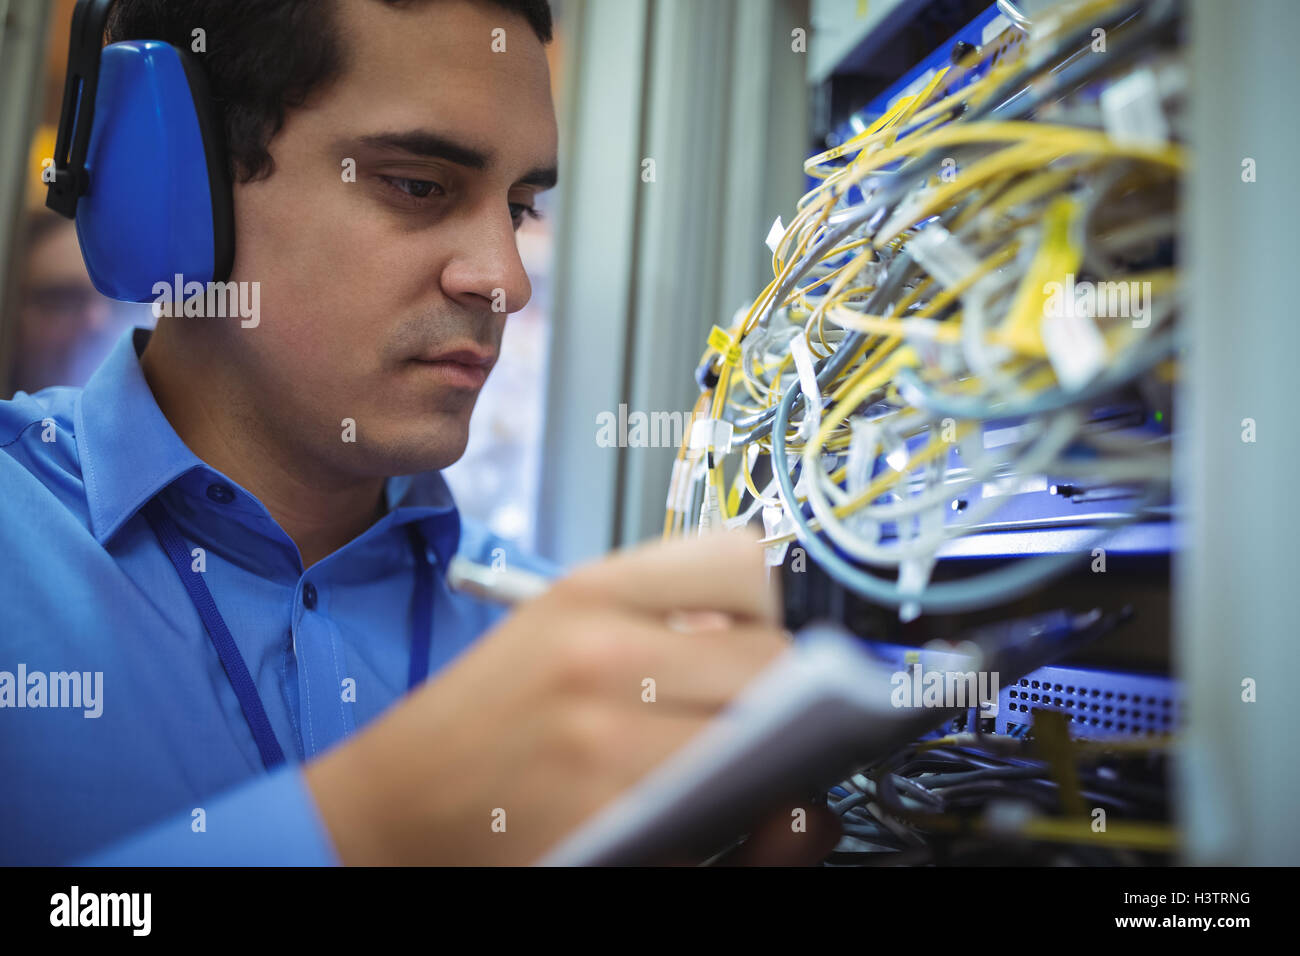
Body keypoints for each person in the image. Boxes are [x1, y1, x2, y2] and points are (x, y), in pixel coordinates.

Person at [0, 0, 837, 865]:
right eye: (419, 187)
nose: (505, 281)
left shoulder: (545, 646)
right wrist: (370, 824)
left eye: (519, 210)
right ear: (168, 186)